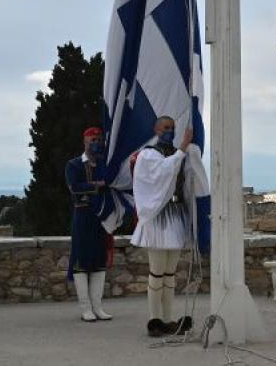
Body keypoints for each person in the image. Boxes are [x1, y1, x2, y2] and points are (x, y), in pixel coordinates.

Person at [130, 117, 200, 338]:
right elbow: (160, 174)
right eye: (165, 128)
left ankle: (168, 319)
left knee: (170, 273)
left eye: (172, 128)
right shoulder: (149, 154)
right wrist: (181, 149)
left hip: (176, 214)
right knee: (156, 272)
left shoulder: (177, 153)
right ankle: (155, 318)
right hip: (159, 217)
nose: (169, 131)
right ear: (156, 129)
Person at [65, 127, 113, 322]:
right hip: (83, 217)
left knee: (99, 262)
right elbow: (74, 188)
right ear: (84, 142)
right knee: (81, 262)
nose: (96, 142)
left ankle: (98, 307)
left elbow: (111, 183)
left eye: (99, 139)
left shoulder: (104, 164)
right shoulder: (74, 164)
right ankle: (86, 308)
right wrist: (97, 185)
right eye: (93, 139)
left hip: (100, 218)